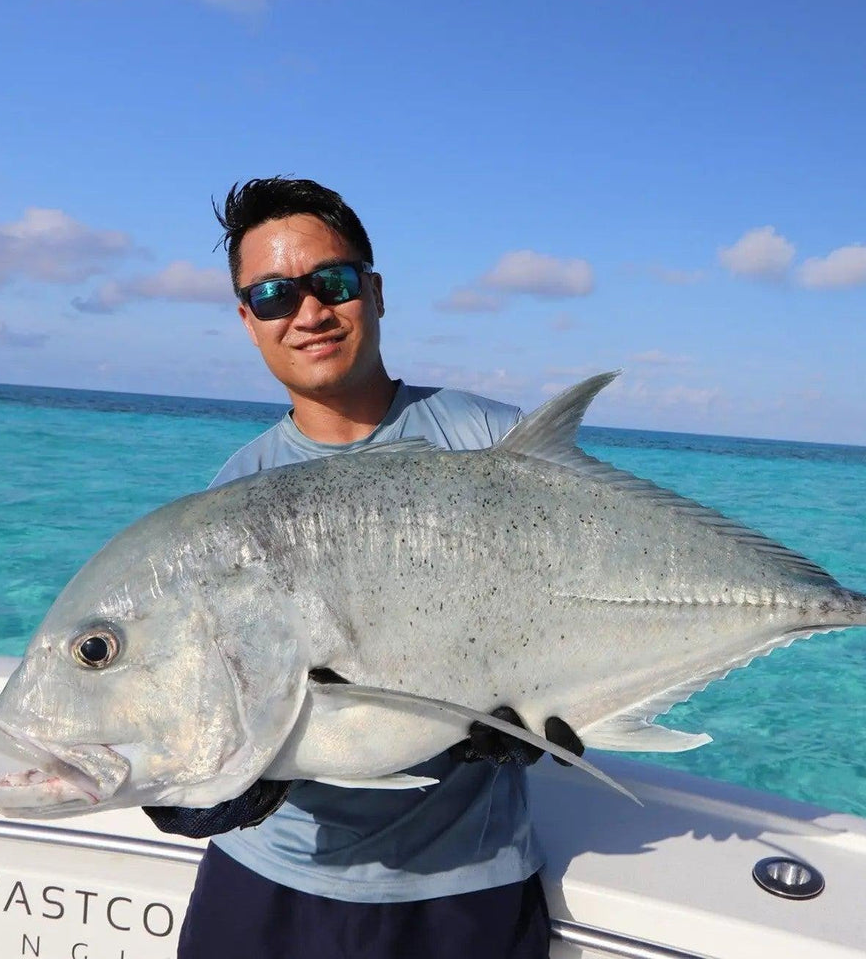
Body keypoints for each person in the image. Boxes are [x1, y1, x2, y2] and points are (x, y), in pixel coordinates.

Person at [145, 177, 558, 959]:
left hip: (465, 885)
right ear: (247, 320)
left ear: (372, 291)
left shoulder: (494, 442)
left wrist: (557, 708)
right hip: (268, 879)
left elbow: (614, 598)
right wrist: (199, 785)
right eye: (272, 296)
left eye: (331, 283)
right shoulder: (237, 492)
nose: (307, 313)